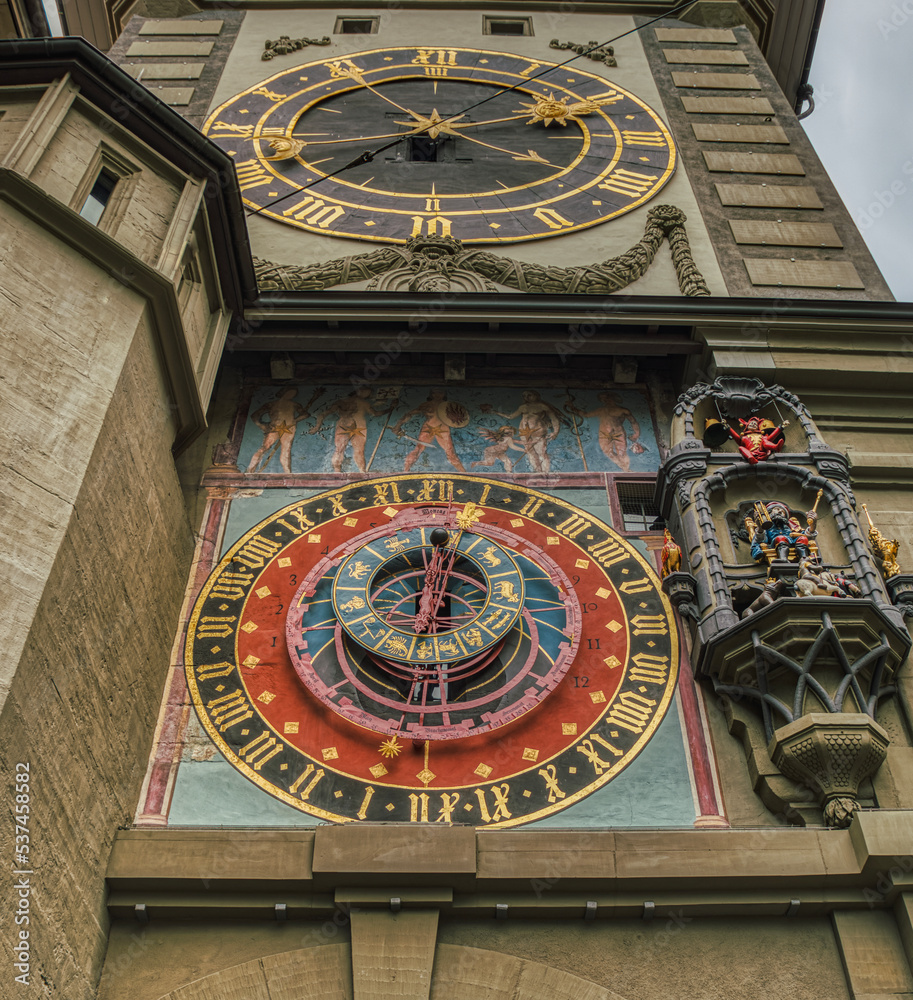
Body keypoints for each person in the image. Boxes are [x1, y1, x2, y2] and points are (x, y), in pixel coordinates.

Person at [309, 387, 390, 473]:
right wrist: (390, 408)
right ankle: (360, 472)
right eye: (367, 392)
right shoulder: (362, 403)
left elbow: (322, 414)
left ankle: (342, 472)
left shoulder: (341, 402)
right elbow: (375, 413)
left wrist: (317, 427)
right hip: (358, 427)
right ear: (360, 391)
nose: (369, 394)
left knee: (340, 449)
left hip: (345, 426)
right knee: (356, 450)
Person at [567, 391, 643, 472]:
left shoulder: (622, 410)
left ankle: (626, 469)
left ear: (612, 398)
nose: (605, 401)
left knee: (621, 453)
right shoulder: (601, 410)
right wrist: (573, 408)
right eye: (602, 399)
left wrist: (636, 433)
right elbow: (586, 414)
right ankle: (623, 467)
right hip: (604, 434)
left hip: (618, 433)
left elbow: (633, 422)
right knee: (608, 453)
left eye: (606, 398)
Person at [393, 389, 466, 473]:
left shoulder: (448, 406)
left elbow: (459, 417)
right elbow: (410, 414)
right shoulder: (426, 405)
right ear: (431, 394)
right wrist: (398, 425)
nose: (438, 395)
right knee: (418, 449)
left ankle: (464, 473)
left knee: (451, 453)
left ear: (444, 394)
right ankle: (405, 471)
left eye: (440, 392)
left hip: (443, 429)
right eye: (435, 393)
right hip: (428, 428)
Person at [495, 390, 564, 473]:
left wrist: (555, 432)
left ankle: (545, 473)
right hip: (524, 432)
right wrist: (495, 412)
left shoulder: (542, 406)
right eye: (524, 396)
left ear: (536, 395)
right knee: (530, 453)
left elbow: (554, 419)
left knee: (541, 452)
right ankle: (538, 472)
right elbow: (511, 416)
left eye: (529, 395)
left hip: (538, 431)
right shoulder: (523, 407)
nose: (527, 397)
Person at [246, 387, 308, 474]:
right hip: (274, 428)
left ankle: (287, 473)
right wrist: (261, 425)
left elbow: (305, 414)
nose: (291, 395)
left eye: (293, 394)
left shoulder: (294, 404)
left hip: (289, 428)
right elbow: (255, 415)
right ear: (283, 392)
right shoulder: (271, 404)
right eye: (289, 393)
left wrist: (295, 420)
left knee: (286, 450)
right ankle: (250, 470)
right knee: (264, 448)